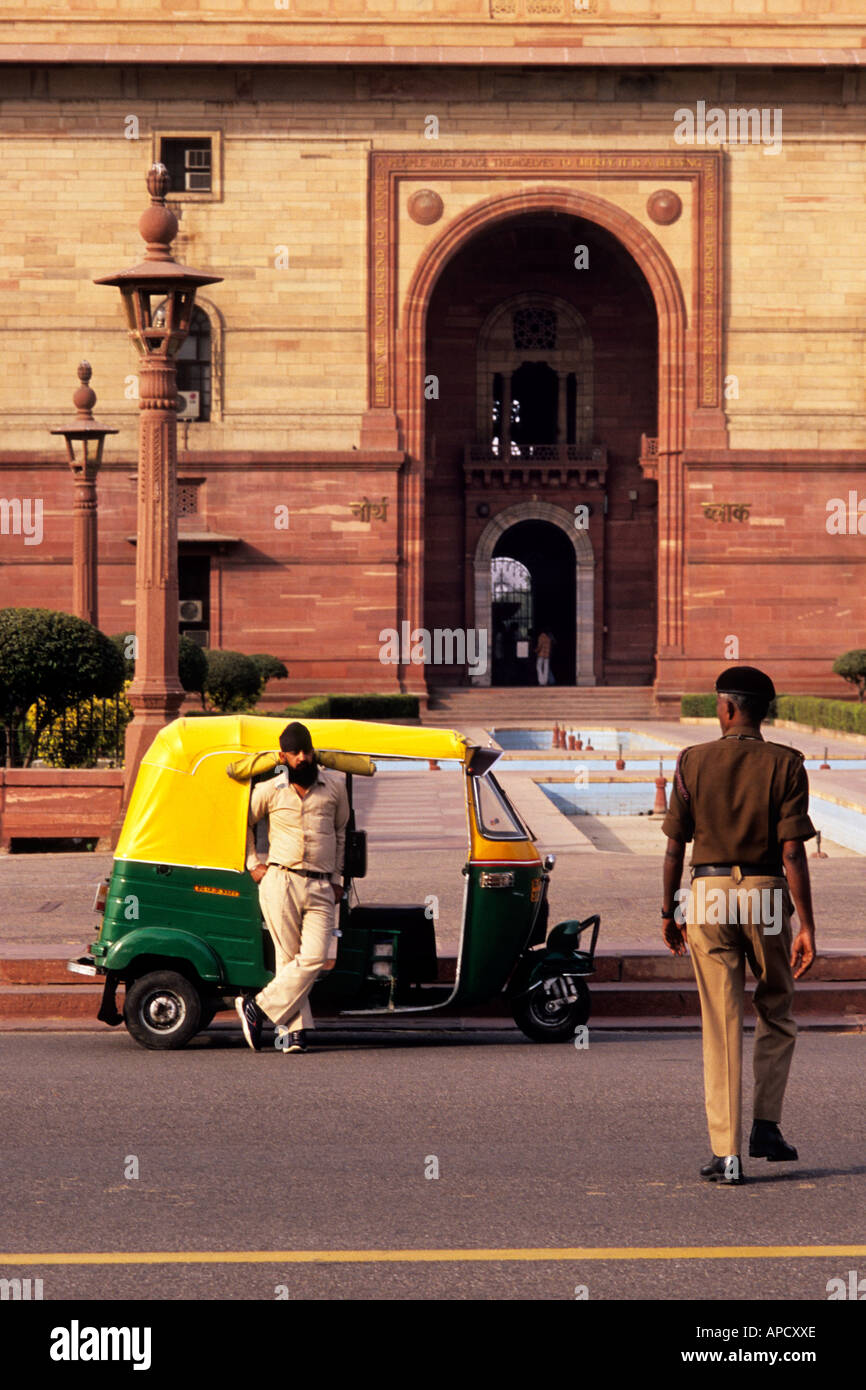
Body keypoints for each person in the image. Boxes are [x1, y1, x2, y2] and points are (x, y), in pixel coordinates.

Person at [660, 666, 818, 1184]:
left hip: (706, 897)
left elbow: (673, 845)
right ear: (763, 711)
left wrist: (669, 911)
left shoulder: (692, 761)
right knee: (776, 1007)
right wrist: (808, 926)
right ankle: (766, 1126)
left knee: (721, 1022)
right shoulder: (787, 764)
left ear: (726, 709)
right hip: (767, 893)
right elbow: (793, 851)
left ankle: (726, 1153)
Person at [235, 721, 349, 1053]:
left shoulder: (334, 787)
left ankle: (256, 1005)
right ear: (283, 756)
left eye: (307, 751)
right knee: (287, 958)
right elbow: (242, 823)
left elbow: (341, 834)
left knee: (314, 957)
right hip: (280, 880)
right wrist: (253, 862)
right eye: (295, 753)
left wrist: (339, 880)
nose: (303, 757)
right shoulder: (270, 790)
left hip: (322, 885)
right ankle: (295, 1035)